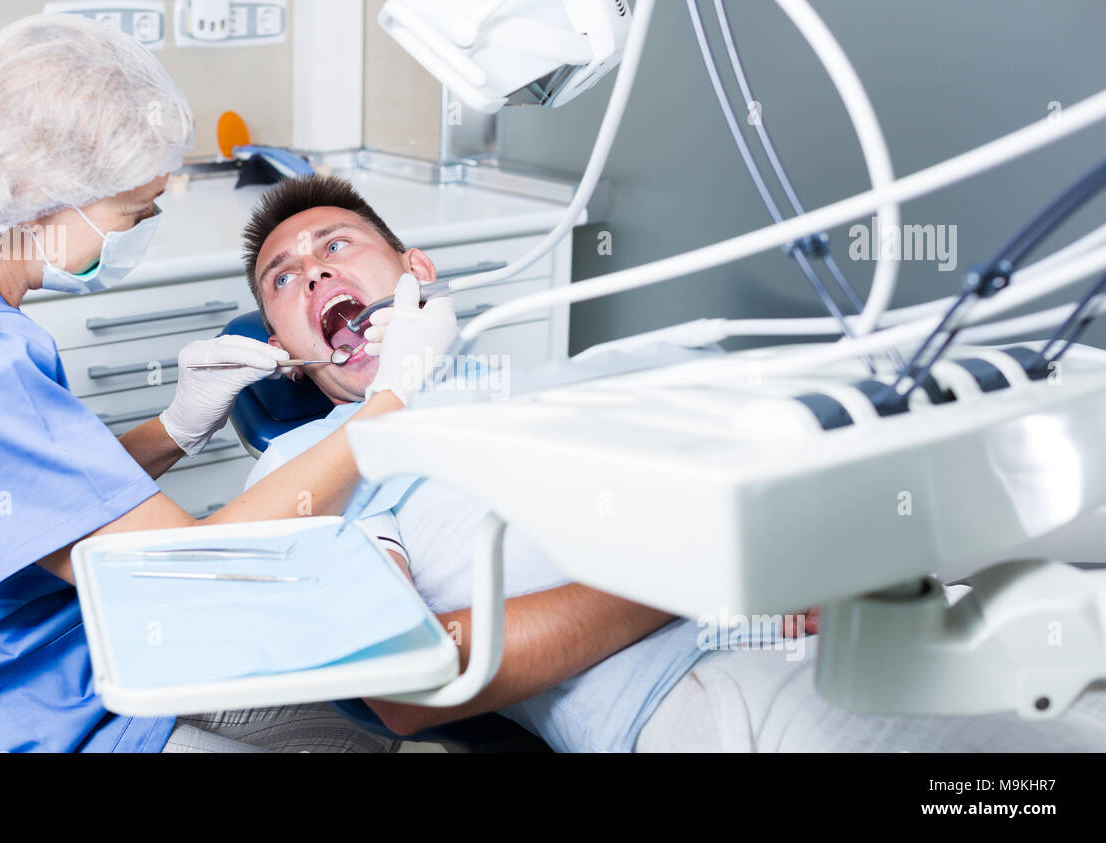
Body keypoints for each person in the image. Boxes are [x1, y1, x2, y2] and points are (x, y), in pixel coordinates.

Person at [240, 174, 1106, 752]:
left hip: (875, 566)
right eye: (282, 279)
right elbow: (408, 684)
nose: (313, 274)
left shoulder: (570, 371)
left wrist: (817, 545)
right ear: (280, 344)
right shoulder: (311, 468)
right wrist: (726, 568)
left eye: (336, 246)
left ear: (415, 270)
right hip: (702, 677)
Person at [0, 16, 448, 753]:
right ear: (31, 190)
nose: (144, 226)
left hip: (3, 648)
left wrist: (172, 429)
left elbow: (16, 485)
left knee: (347, 734)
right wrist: (388, 404)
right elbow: (182, 567)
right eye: (131, 212)